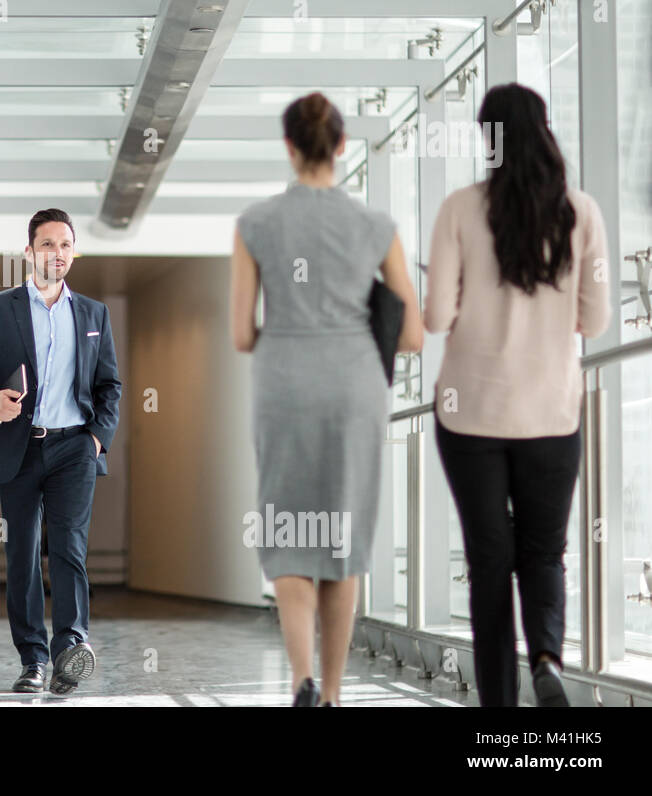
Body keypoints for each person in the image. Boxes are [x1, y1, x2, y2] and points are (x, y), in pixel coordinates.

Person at [231, 92, 423, 706]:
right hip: (354, 384)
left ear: (289, 148)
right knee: (345, 538)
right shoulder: (377, 226)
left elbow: (241, 332)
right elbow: (415, 333)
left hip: (283, 380)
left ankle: (302, 679)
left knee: (287, 527)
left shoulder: (255, 223)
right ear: (342, 147)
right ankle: (336, 693)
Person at [424, 82, 610, 707]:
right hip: (551, 413)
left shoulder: (458, 209)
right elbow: (598, 320)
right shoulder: (581, 213)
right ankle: (549, 660)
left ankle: (498, 708)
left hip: (469, 411)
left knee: (488, 558)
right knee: (543, 549)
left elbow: (434, 316)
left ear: (490, 139)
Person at [0, 208, 122, 696]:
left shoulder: (93, 313)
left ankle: (70, 649)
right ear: (29, 252)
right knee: (22, 555)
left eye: (65, 244)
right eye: (47, 244)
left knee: (69, 549)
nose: (57, 253)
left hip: (74, 449)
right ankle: (33, 660)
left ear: (73, 251)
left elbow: (110, 384)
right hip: (20, 448)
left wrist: (95, 439)